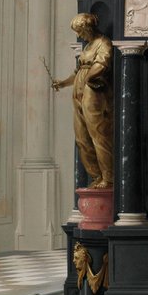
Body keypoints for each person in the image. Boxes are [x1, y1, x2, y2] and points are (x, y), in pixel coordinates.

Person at [51, 13, 114, 189]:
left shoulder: (104, 43)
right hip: (78, 92)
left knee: (98, 135)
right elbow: (78, 71)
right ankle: (96, 175)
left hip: (93, 92)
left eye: (80, 31)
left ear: (87, 28)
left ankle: (108, 178)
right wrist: (63, 83)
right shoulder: (87, 47)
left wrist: (87, 78)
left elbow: (101, 65)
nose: (79, 36)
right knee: (82, 138)